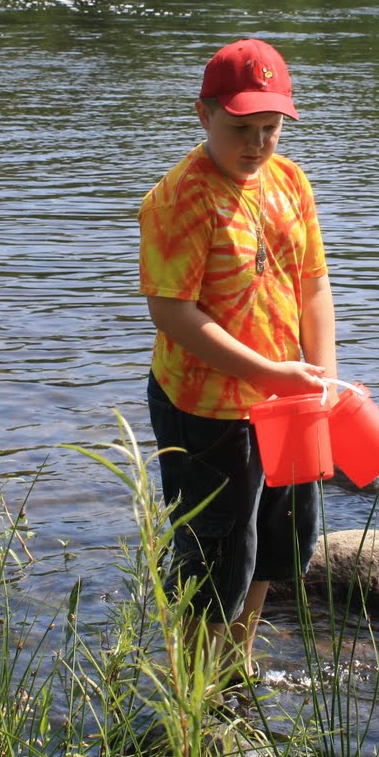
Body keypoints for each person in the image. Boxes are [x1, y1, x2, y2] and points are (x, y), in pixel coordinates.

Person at [138, 37, 337, 681]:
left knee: (280, 545)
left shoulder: (289, 181)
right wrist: (267, 372)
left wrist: (322, 378)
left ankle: (235, 663)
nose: (256, 144)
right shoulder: (180, 199)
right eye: (240, 128)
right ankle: (193, 687)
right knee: (215, 552)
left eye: (270, 128)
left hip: (286, 400)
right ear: (205, 114)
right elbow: (173, 313)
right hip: (208, 406)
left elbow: (312, 284)